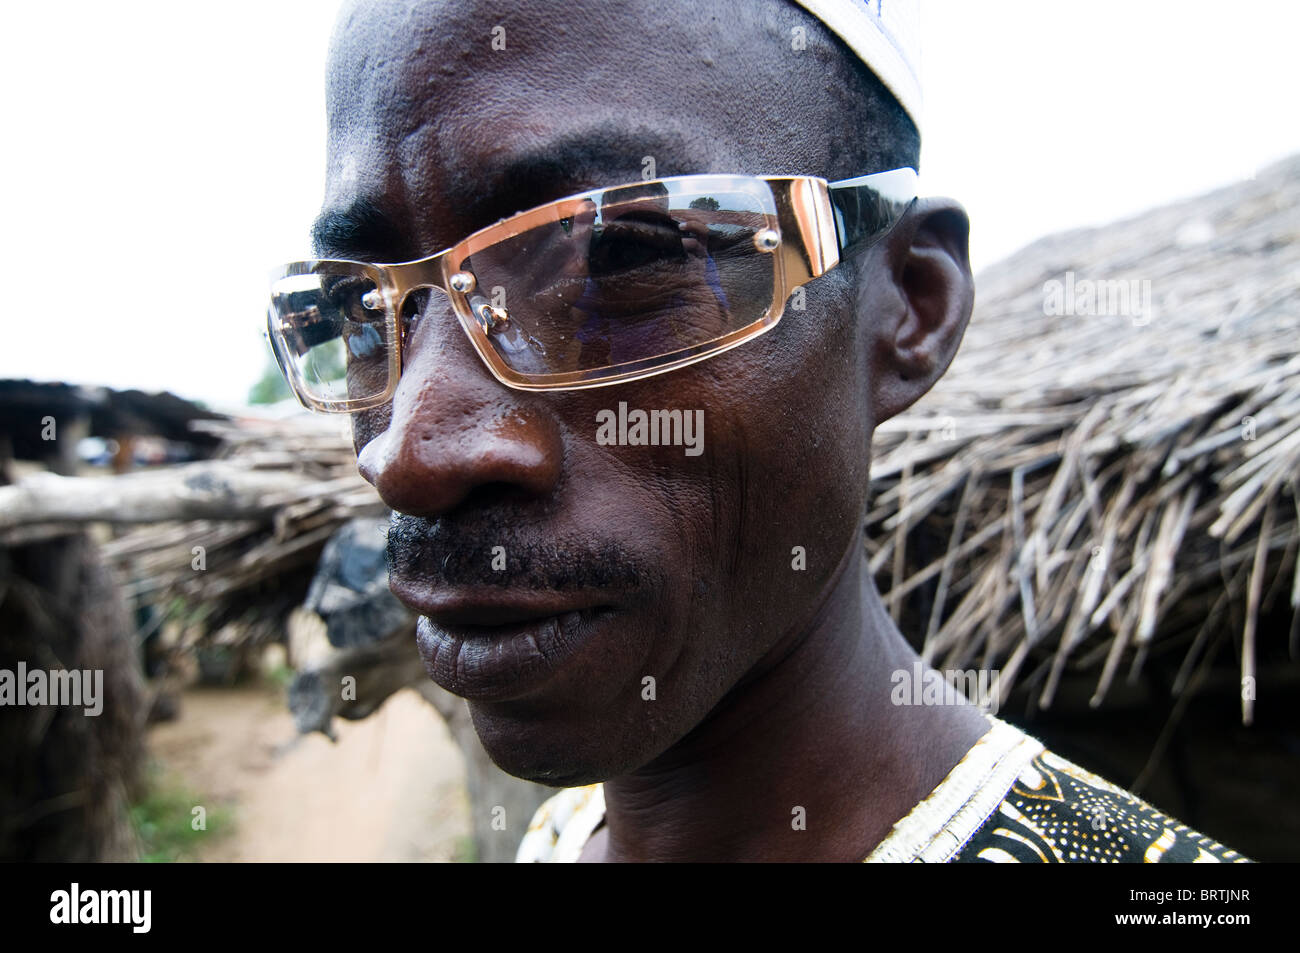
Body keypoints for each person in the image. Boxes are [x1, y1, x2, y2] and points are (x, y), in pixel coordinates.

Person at [267, 0, 1247, 862]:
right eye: (359, 310)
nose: (407, 446)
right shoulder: (561, 837)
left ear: (908, 302)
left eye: (618, 254)